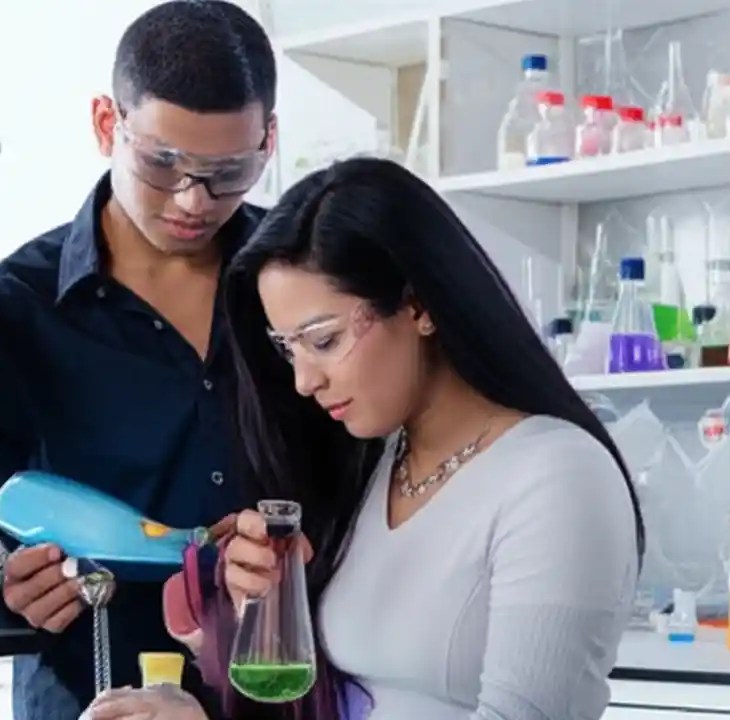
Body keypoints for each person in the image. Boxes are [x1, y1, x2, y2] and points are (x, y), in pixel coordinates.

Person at [87, 157, 644, 720]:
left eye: (323, 340)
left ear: (417, 305)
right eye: (288, 348)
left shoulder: (558, 477)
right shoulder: (377, 464)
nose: (305, 382)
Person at [0, 2, 276, 717]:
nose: (194, 199)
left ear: (268, 142)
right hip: (93, 700)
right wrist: (9, 592)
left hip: (286, 698)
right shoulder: (6, 314)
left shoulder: (306, 284)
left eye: (229, 171)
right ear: (105, 125)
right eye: (162, 163)